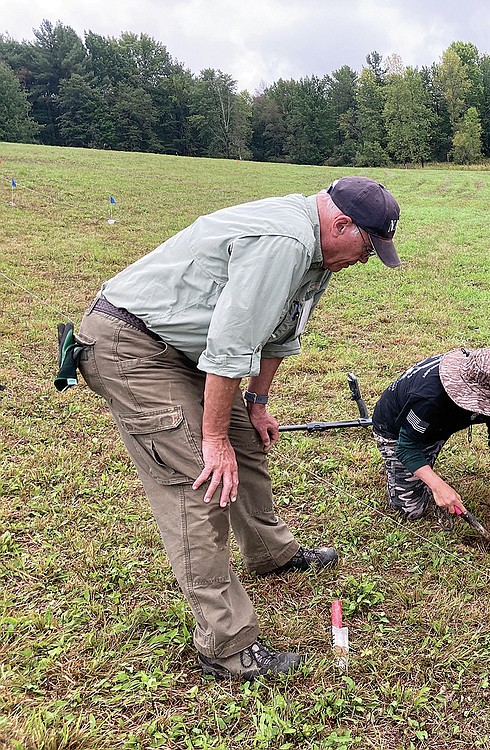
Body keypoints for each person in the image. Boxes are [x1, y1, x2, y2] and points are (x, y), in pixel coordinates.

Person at [75, 177, 401, 679]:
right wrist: (212, 438)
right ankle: (225, 646)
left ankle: (269, 552)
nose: (364, 260)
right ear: (343, 224)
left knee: (246, 444)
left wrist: (256, 402)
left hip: (187, 351)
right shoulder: (286, 243)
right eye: (367, 247)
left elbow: (278, 331)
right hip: (132, 346)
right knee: (199, 479)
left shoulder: (318, 249)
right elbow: (230, 344)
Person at [371, 347, 490, 523]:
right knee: (410, 510)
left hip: (440, 422)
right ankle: (406, 473)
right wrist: (438, 486)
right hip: (395, 430)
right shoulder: (428, 398)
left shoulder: (489, 375)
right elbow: (407, 448)